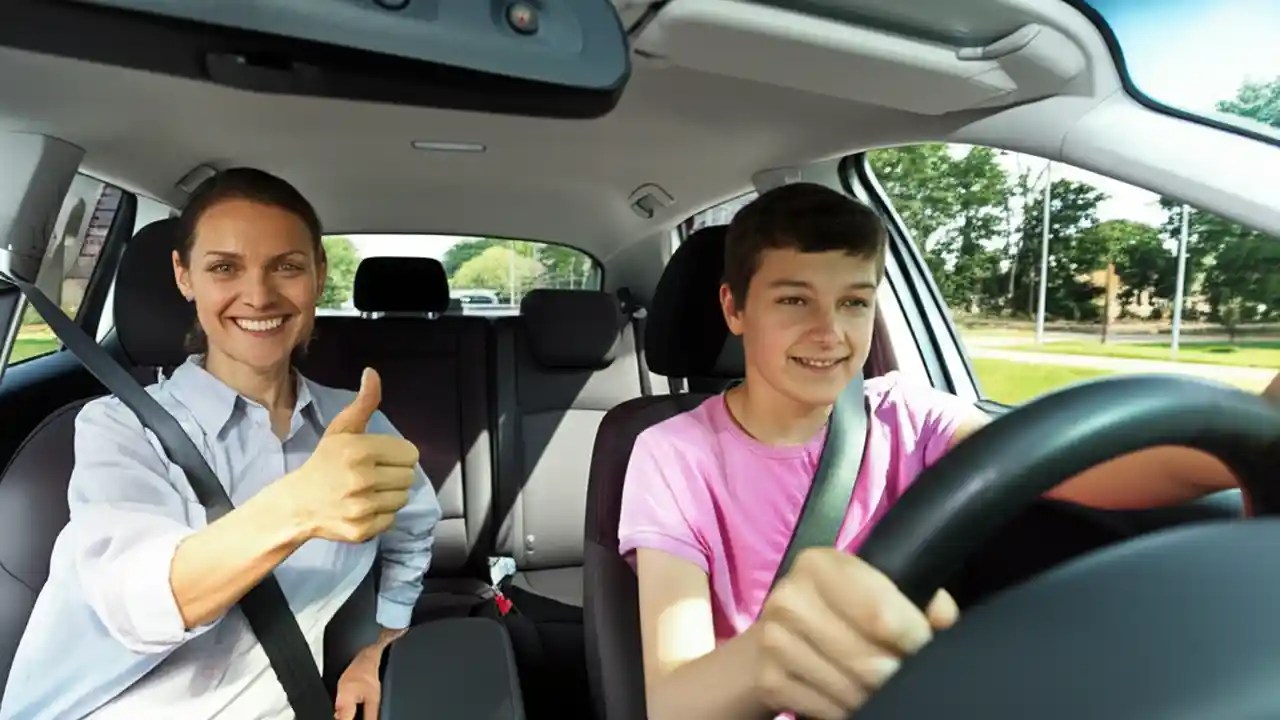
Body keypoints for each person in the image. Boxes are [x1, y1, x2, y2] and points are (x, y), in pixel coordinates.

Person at [618, 182, 1256, 720]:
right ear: (734, 308)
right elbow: (675, 703)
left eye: (854, 302)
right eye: (794, 299)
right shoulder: (672, 454)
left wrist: (1255, 430)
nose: (830, 331)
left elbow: (1090, 467)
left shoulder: (906, 414)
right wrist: (773, 651)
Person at [1, 168, 441, 719]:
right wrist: (301, 506)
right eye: (224, 267)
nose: (258, 296)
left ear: (318, 275)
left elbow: (413, 530)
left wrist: (375, 649)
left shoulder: (356, 424)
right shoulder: (119, 429)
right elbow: (139, 604)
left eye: (286, 266)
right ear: (184, 276)